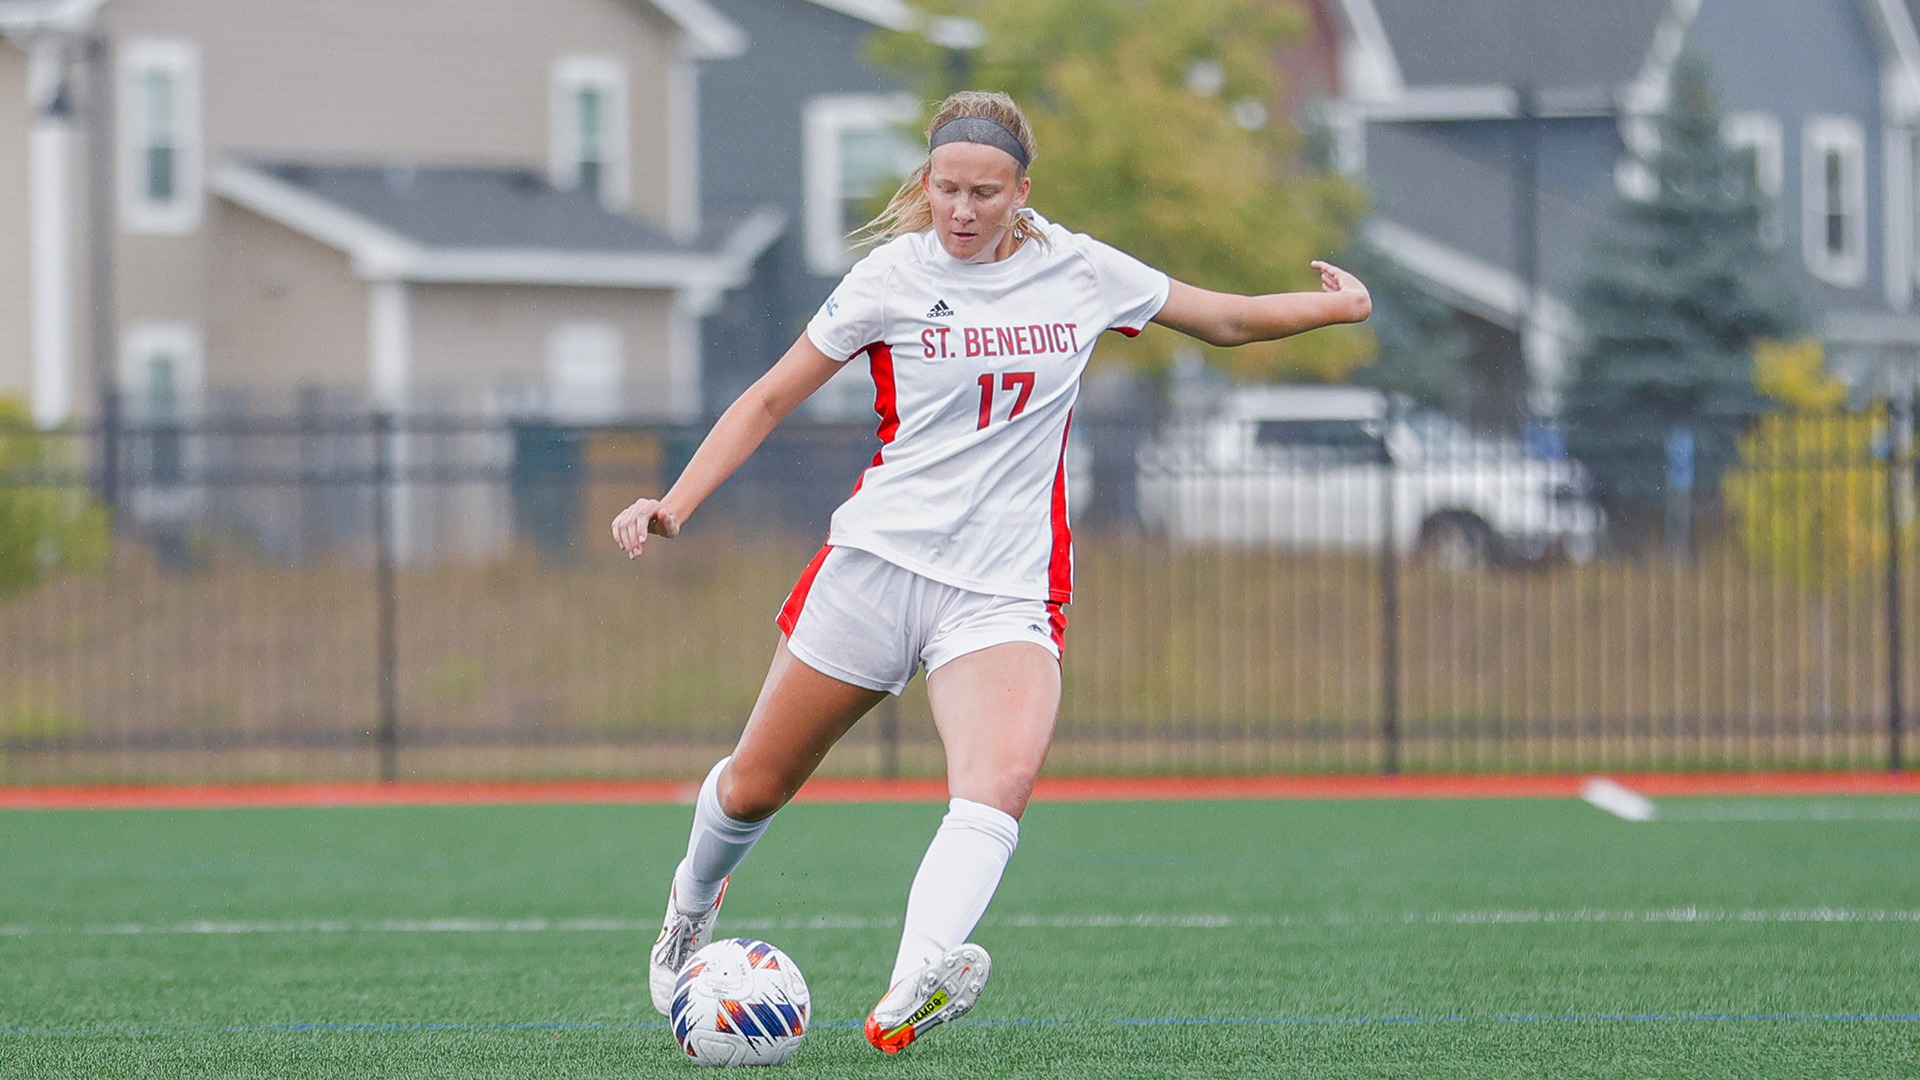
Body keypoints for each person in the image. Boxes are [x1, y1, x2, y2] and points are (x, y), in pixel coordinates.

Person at [612, 89, 1370, 1054]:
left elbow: (1220, 319)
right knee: (755, 787)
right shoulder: (890, 277)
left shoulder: (1080, 270)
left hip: (1002, 590)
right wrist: (673, 502)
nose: (961, 212)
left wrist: (1337, 308)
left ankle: (906, 992)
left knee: (998, 781)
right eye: (945, 190)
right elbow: (765, 400)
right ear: (925, 184)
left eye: (983, 193)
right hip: (877, 567)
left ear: (1022, 192)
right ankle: (689, 905)